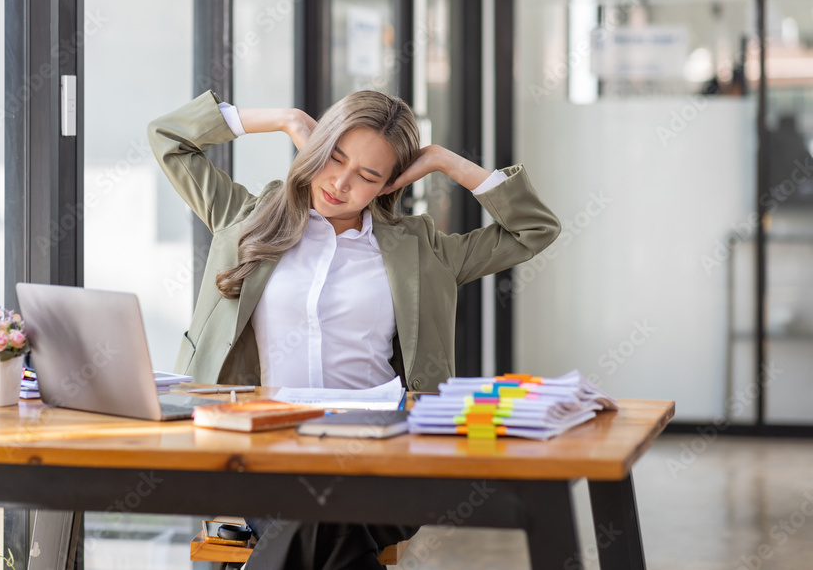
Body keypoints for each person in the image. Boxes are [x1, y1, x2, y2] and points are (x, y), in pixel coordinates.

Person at [148, 90, 561, 569]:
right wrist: (284, 118)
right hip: (260, 455)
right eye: (334, 157)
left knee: (317, 511)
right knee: (322, 517)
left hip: (382, 463)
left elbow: (533, 229)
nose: (340, 183)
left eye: (367, 175)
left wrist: (447, 162)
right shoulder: (245, 219)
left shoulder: (421, 252)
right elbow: (169, 138)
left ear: (390, 184)